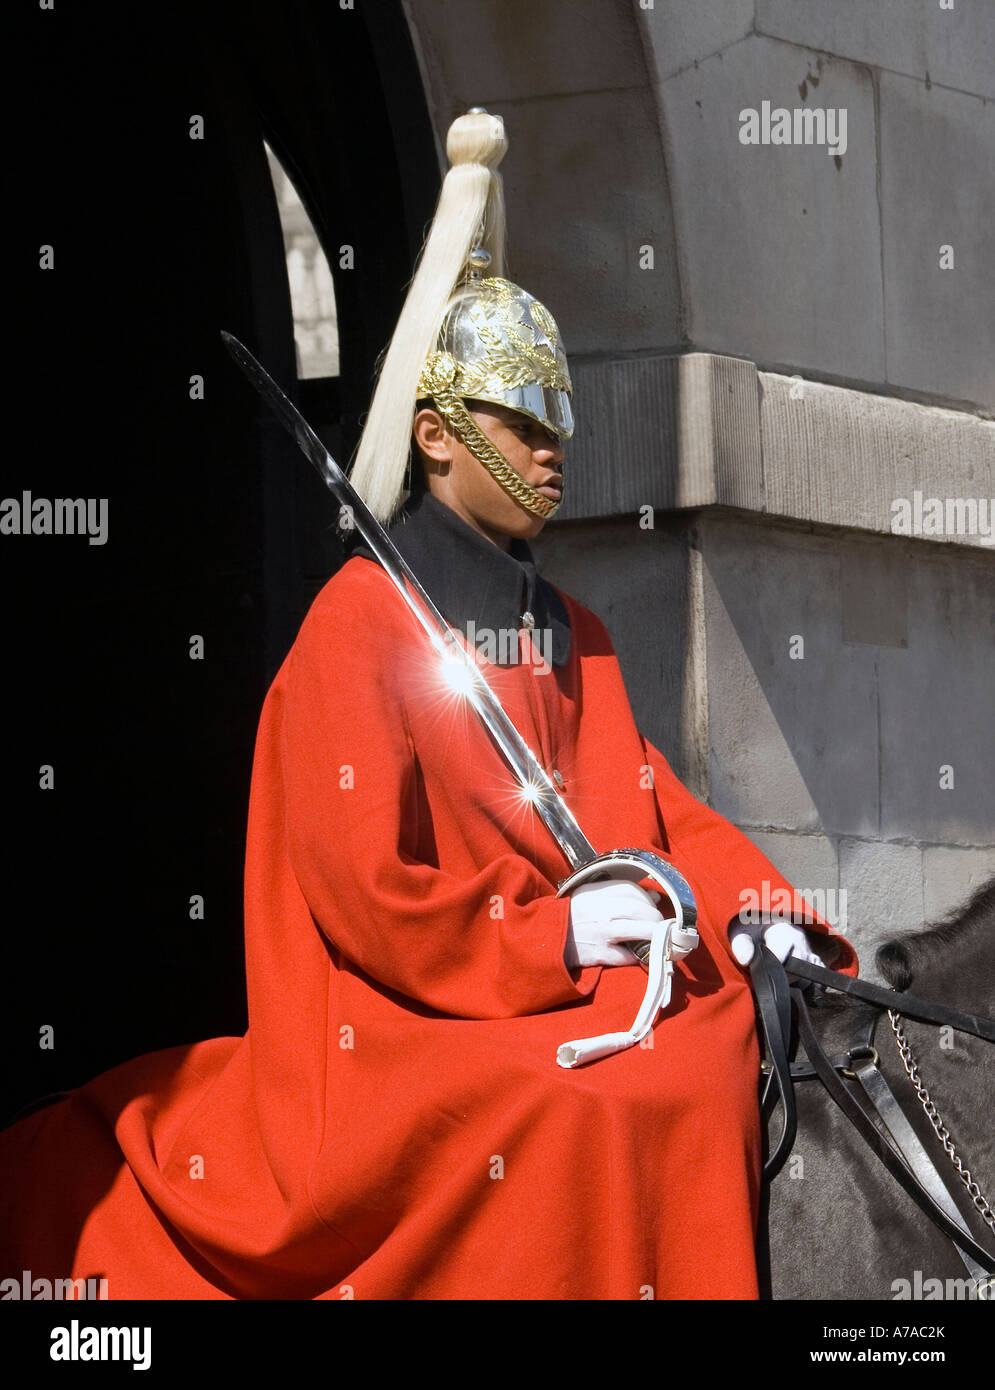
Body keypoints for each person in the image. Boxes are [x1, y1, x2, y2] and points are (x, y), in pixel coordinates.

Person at [0, 109, 856, 1301]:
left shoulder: (575, 632)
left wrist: (762, 910)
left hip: (536, 990)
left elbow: (651, 814)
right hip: (395, 1013)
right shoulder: (354, 629)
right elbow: (365, 893)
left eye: (557, 421)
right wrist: (546, 934)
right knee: (585, 1097)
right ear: (435, 438)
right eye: (519, 422)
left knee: (714, 1044)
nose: (552, 449)